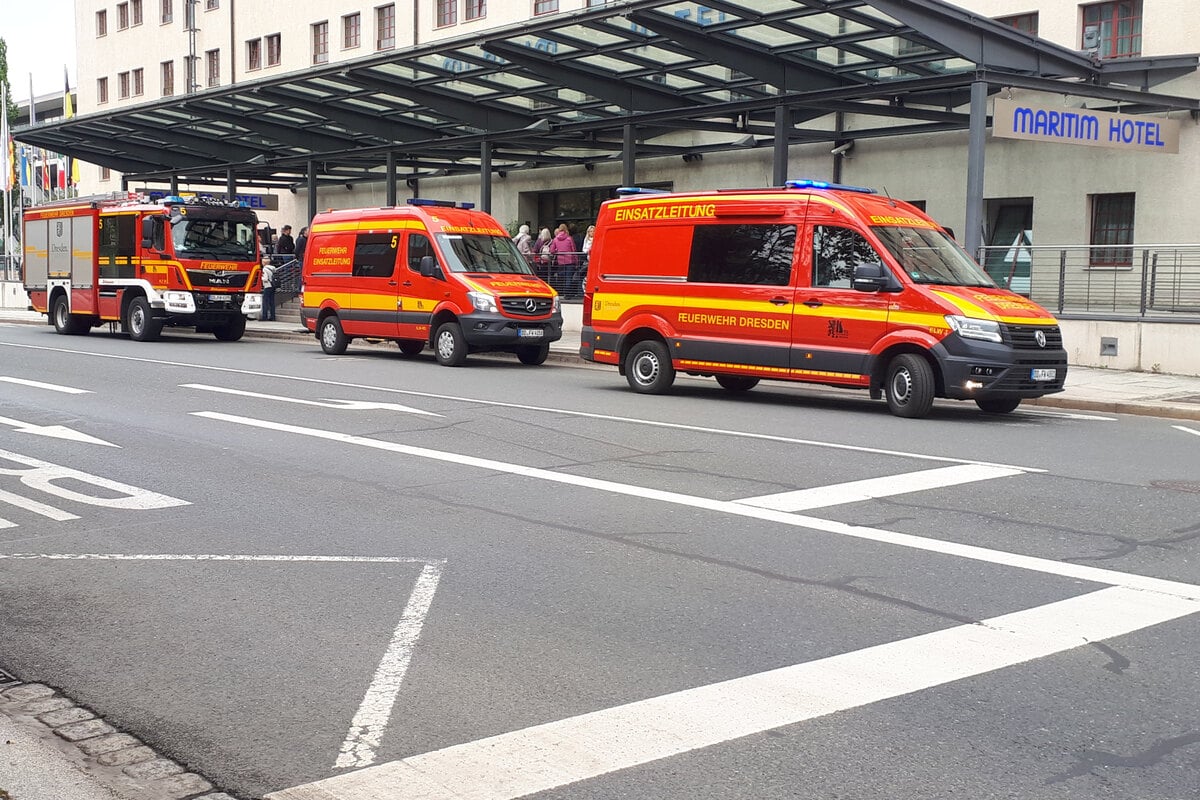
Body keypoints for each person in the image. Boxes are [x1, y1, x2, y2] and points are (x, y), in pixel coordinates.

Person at [549, 223, 578, 294]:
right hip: (570, 260)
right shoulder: (569, 238)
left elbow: (551, 250)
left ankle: (562, 292)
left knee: (562, 277)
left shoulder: (555, 239)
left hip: (561, 261)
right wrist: (576, 261)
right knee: (569, 277)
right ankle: (568, 293)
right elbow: (573, 250)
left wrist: (557, 251)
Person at [260, 256, 277, 321]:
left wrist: (260, 278)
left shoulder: (264, 269)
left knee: (265, 301)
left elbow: (265, 278)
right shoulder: (273, 268)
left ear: (264, 263)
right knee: (272, 302)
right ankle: (273, 316)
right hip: (273, 286)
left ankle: (265, 316)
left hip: (267, 286)